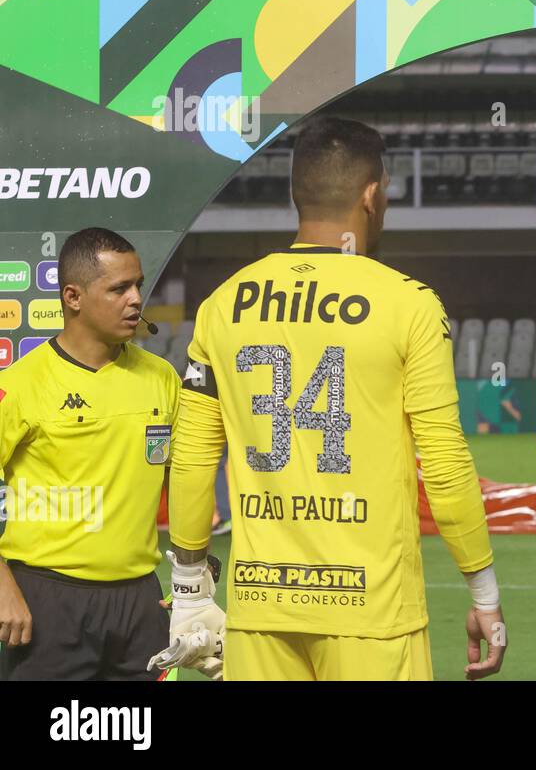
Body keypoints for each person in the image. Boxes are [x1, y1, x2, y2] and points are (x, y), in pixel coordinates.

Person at [161, 116, 505, 681]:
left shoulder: (222, 304)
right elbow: (443, 460)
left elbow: (195, 457)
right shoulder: (409, 304)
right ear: (371, 195)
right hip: (372, 608)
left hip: (260, 606)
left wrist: (190, 590)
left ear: (296, 192)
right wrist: (484, 593)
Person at [0, 228, 179, 679]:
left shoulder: (162, 378)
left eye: (137, 284)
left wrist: (194, 577)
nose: (136, 299)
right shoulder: (21, 385)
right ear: (73, 297)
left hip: (142, 602)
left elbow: (184, 478)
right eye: (119, 288)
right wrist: (1, 585)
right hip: (47, 600)